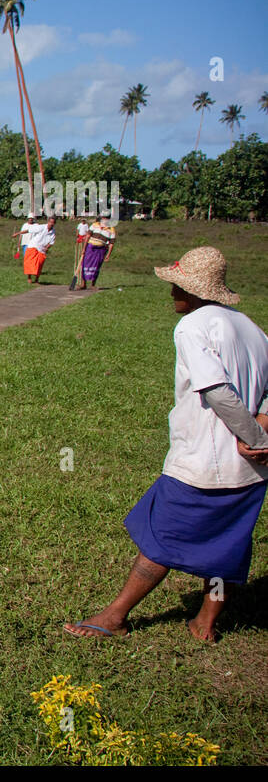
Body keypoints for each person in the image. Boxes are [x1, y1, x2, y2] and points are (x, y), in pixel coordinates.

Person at [66, 248, 268, 643]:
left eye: (176, 284)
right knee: (229, 546)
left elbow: (216, 391)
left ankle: (115, 616)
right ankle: (205, 623)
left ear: (192, 291)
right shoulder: (252, 328)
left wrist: (253, 435)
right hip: (251, 469)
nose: (171, 291)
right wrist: (263, 428)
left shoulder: (193, 327)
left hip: (204, 462)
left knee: (160, 538)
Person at [76, 219, 116, 290]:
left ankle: (93, 285)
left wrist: (108, 255)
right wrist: (84, 248)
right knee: (85, 264)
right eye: (103, 218)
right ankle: (83, 284)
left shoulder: (111, 229)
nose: (104, 220)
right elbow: (88, 236)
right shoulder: (95, 225)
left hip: (101, 250)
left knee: (97, 266)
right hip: (90, 247)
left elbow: (111, 244)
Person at [22, 216, 55, 284]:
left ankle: (37, 279)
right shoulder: (42, 227)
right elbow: (29, 230)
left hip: (42, 249)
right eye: (50, 222)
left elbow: (51, 242)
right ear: (48, 222)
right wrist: (18, 233)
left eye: (53, 222)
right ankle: (29, 278)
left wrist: (47, 247)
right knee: (30, 262)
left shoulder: (53, 232)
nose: (51, 224)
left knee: (39, 264)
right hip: (33, 246)